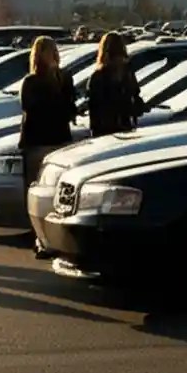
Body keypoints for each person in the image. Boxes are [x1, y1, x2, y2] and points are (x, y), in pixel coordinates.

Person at [19, 36, 76, 259]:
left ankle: (51, 238)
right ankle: (40, 238)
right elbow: (31, 108)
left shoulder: (63, 79)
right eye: (48, 52)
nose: (52, 56)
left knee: (51, 192)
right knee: (37, 191)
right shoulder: (32, 82)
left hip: (56, 140)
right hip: (38, 140)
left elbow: (68, 107)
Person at [86, 32, 143, 138]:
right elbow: (135, 96)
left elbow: (94, 109)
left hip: (105, 130)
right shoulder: (127, 73)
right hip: (125, 126)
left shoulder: (98, 76)